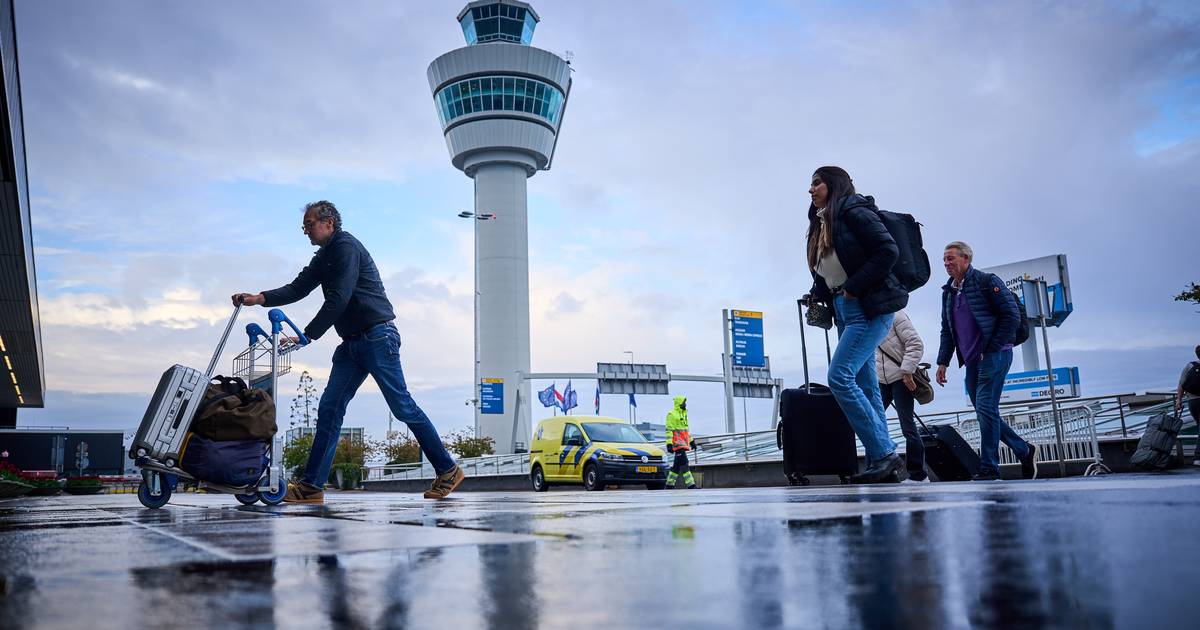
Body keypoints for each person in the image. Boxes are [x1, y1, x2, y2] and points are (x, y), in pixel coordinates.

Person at [232, 200, 465, 503]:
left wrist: (307, 335)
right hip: (351, 344)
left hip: (378, 337)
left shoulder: (346, 247)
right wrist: (258, 298)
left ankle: (448, 469)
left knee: (402, 407)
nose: (306, 232)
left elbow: (339, 298)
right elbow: (297, 287)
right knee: (329, 410)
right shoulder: (324, 256)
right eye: (303, 227)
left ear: (328, 223)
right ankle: (311, 487)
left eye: (309, 225)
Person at [804, 166, 909, 483]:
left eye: (816, 183)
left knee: (839, 376)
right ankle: (881, 460)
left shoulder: (854, 210)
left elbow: (887, 251)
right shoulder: (821, 223)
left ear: (833, 184)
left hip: (867, 306)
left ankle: (887, 454)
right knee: (866, 386)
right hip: (843, 308)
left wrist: (854, 287)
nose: (810, 190)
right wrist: (817, 294)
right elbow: (832, 271)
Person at [934, 241, 1037, 481]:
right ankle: (1023, 449)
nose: (947, 263)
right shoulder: (948, 292)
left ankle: (990, 468)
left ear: (966, 259)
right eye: (945, 259)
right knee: (984, 411)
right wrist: (943, 362)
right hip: (971, 360)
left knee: (987, 409)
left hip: (995, 354)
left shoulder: (987, 282)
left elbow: (1010, 316)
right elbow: (947, 330)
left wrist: (990, 349)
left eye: (951, 258)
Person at [875, 309, 927, 482]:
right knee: (873, 425)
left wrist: (907, 371)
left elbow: (915, 343)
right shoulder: (868, 319)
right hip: (880, 380)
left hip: (901, 378)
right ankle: (883, 472)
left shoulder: (896, 315)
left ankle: (918, 474)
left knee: (907, 426)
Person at [664, 395, 697, 489]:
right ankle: (691, 485)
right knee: (685, 464)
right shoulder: (672, 414)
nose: (685, 404)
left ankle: (669, 485)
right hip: (677, 444)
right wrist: (669, 444)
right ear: (679, 403)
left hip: (683, 444)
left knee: (676, 467)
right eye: (684, 402)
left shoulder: (683, 414)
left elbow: (686, 432)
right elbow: (669, 430)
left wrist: (691, 442)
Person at [1177, 345, 1200, 466]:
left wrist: (1178, 401)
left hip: (1192, 402)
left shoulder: (1190, 366)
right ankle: (1198, 457)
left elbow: (1181, 385)